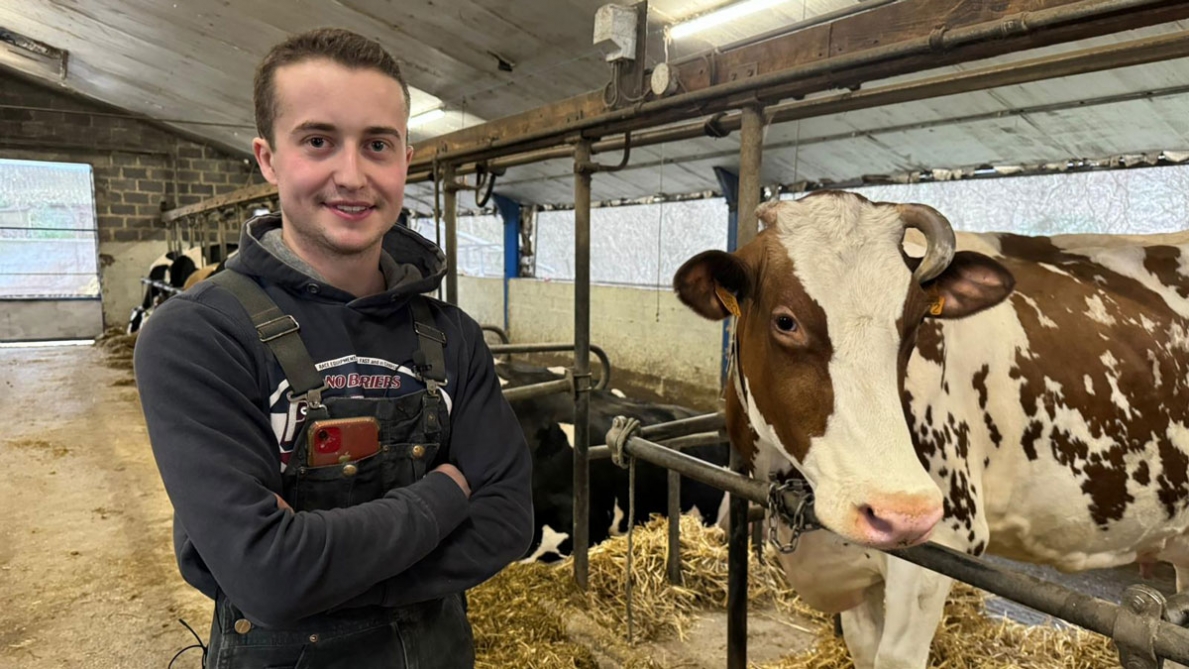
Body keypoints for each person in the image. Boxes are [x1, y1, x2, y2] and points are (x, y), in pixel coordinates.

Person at [134, 27, 533, 668]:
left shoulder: (451, 334)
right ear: (268, 158)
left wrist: (314, 573)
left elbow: (509, 522)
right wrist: (445, 494)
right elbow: (268, 574)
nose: (352, 175)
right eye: (318, 141)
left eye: (377, 144)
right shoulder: (197, 335)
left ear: (406, 157)